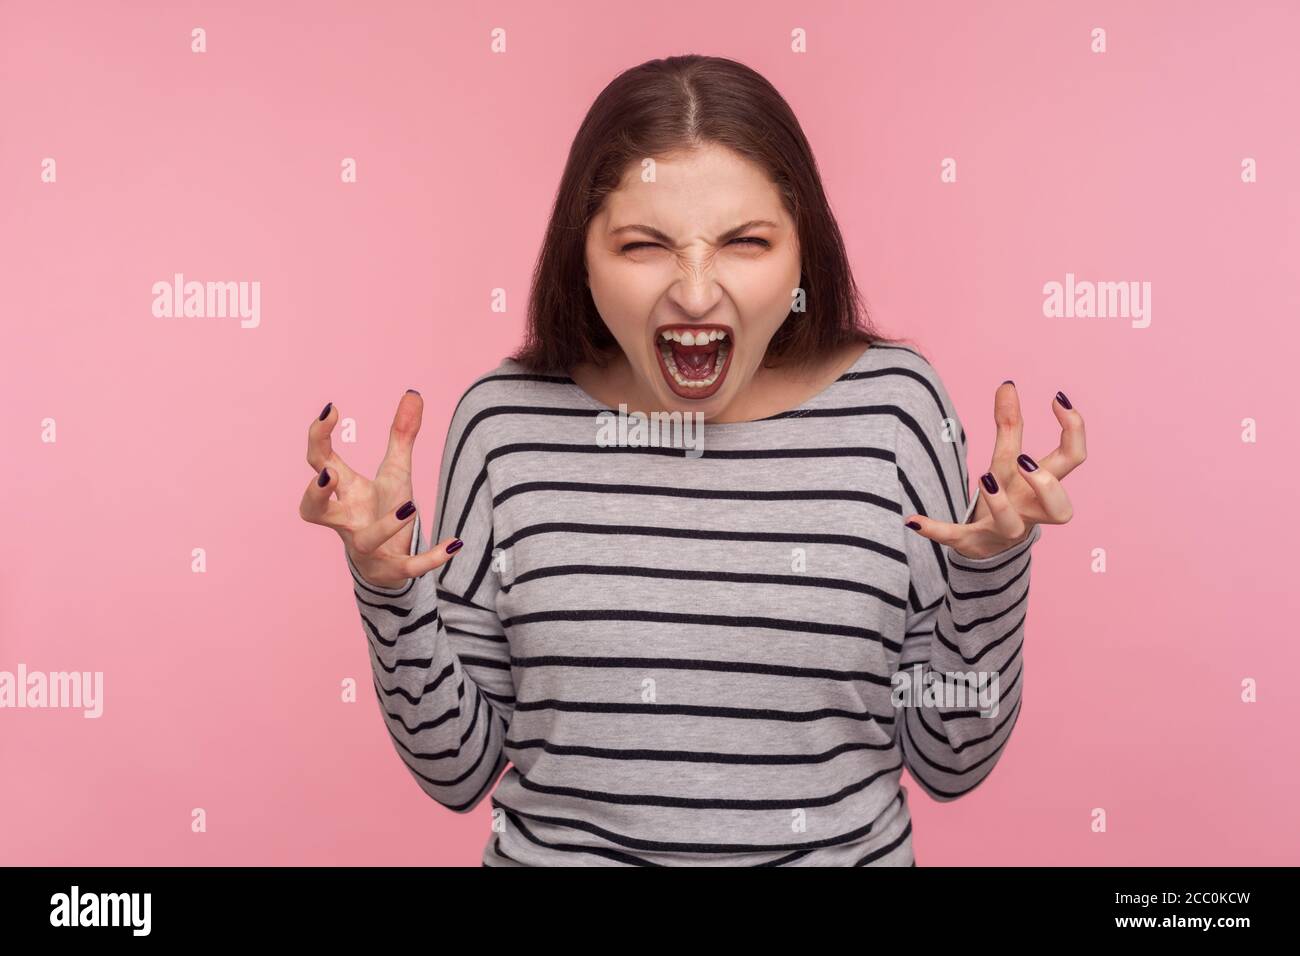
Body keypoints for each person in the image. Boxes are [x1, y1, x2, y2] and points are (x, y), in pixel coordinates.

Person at [298, 54, 1084, 866]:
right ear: (583, 256)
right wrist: (388, 589)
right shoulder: (505, 421)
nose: (698, 293)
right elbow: (455, 771)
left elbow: (952, 763)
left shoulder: (895, 409)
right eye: (644, 245)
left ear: (802, 254)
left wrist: (993, 570)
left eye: (746, 241)